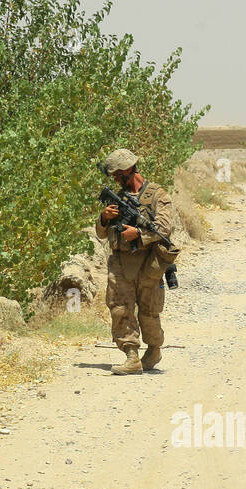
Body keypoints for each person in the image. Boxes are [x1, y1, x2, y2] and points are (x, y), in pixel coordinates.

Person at [97, 148, 176, 375]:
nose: (115, 179)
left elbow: (164, 228)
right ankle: (131, 355)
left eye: (117, 174)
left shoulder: (158, 195)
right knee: (120, 308)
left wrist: (139, 235)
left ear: (128, 170)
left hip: (149, 262)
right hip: (121, 262)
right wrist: (104, 218)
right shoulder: (118, 197)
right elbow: (101, 233)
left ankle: (154, 349)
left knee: (149, 310)